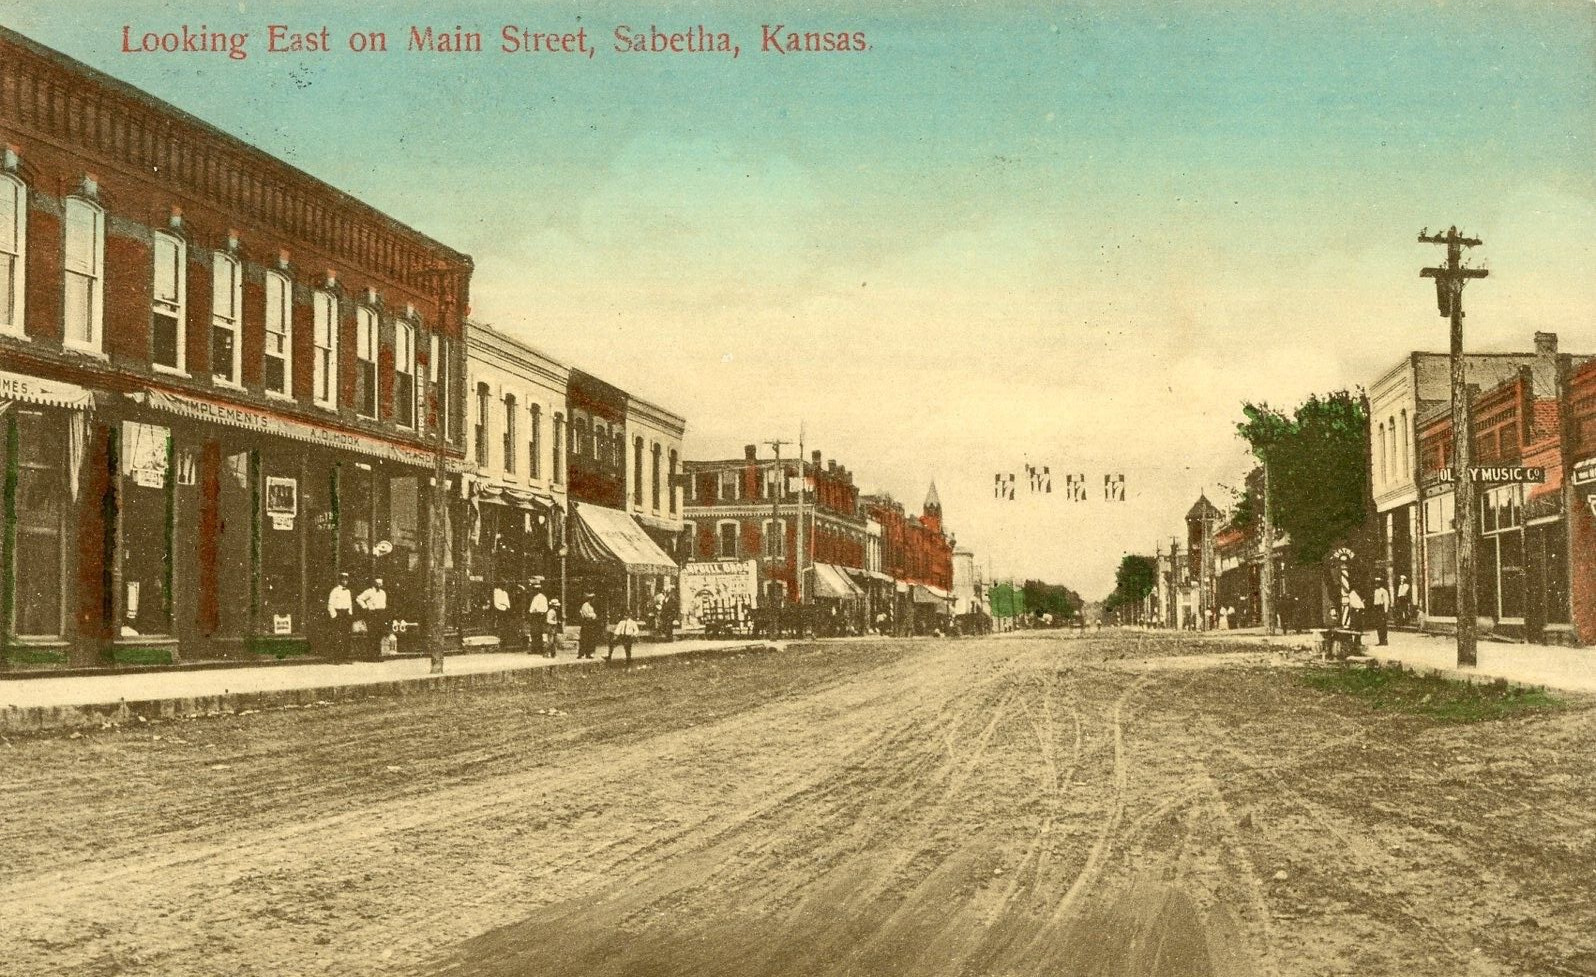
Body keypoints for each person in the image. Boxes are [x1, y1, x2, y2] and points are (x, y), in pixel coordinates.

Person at [356, 577, 389, 659]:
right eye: (377, 583)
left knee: (379, 634)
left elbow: (383, 603)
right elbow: (359, 598)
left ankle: (377, 654)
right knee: (372, 634)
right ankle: (371, 656)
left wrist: (383, 611)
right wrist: (365, 607)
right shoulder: (369, 592)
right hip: (372, 614)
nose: (379, 585)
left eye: (381, 583)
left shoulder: (383, 593)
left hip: (380, 613)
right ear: (374, 583)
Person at [326, 572, 354, 659]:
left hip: (346, 614)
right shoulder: (335, 591)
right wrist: (334, 616)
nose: (345, 581)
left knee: (346, 636)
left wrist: (350, 613)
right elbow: (330, 604)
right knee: (337, 636)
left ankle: (345, 657)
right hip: (338, 614)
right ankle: (336, 658)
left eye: (346, 580)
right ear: (340, 580)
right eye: (343, 579)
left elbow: (349, 603)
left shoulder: (348, 591)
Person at [527, 581, 549, 656]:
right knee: (534, 632)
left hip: (539, 616)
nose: (534, 591)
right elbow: (532, 608)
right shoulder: (535, 598)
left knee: (538, 632)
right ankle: (534, 648)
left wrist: (537, 611)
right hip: (534, 616)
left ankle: (539, 649)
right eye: (534, 589)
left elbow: (544, 608)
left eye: (536, 589)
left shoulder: (542, 598)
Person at [577, 593, 600, 659]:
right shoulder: (585, 605)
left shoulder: (591, 606)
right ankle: (581, 653)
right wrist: (592, 615)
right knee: (584, 638)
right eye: (593, 599)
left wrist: (593, 616)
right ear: (591, 599)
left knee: (590, 638)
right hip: (586, 624)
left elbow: (593, 615)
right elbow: (587, 615)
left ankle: (588, 653)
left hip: (590, 624)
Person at [1371, 577, 1391, 646]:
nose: (1376, 584)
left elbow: (1386, 601)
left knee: (1383, 625)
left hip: (1381, 608)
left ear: (1380, 583)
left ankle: (1384, 641)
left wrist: (1385, 611)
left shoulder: (1383, 591)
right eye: (1376, 583)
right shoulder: (1375, 591)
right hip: (1376, 608)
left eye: (1378, 583)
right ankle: (1380, 640)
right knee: (1378, 625)